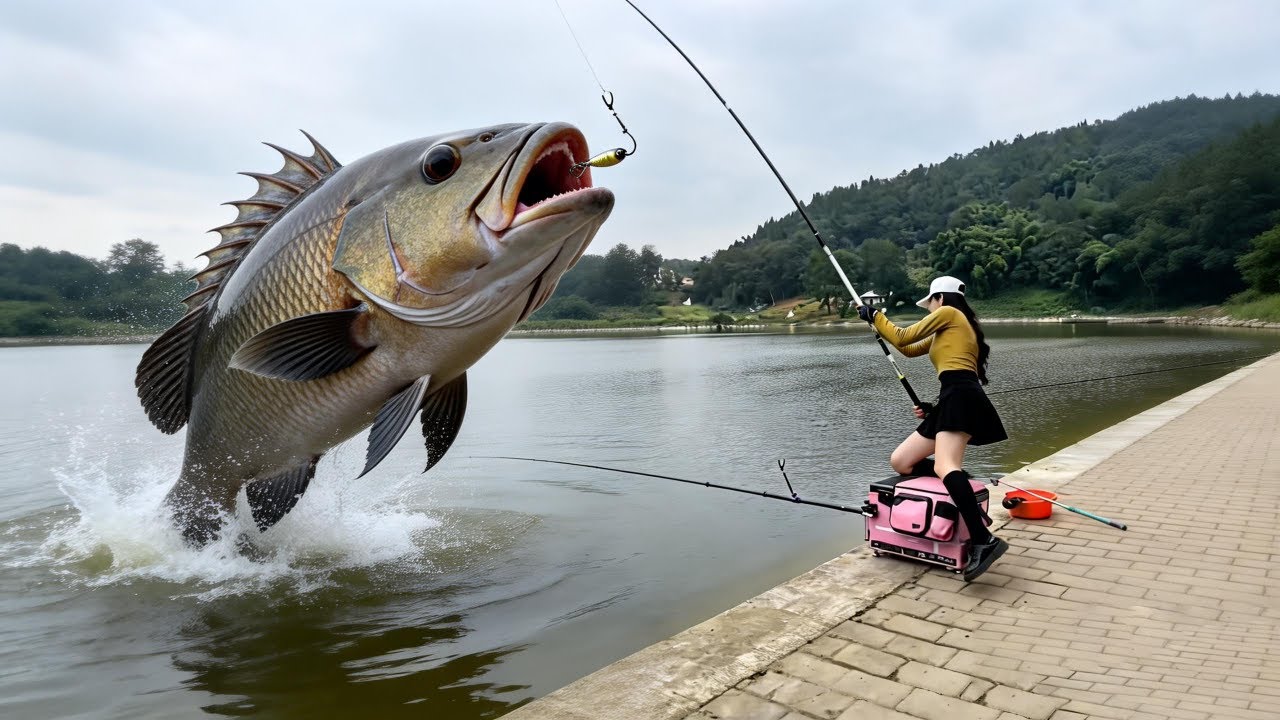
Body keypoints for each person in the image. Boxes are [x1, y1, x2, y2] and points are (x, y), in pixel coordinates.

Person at [856, 275, 1008, 581]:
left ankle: (984, 539)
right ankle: (956, 482)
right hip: (950, 398)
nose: (929, 309)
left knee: (945, 464)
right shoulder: (948, 327)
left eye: (930, 303)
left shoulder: (950, 313)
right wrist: (932, 408)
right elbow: (910, 349)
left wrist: (875, 315)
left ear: (939, 298)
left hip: (961, 396)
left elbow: (902, 336)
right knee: (901, 461)